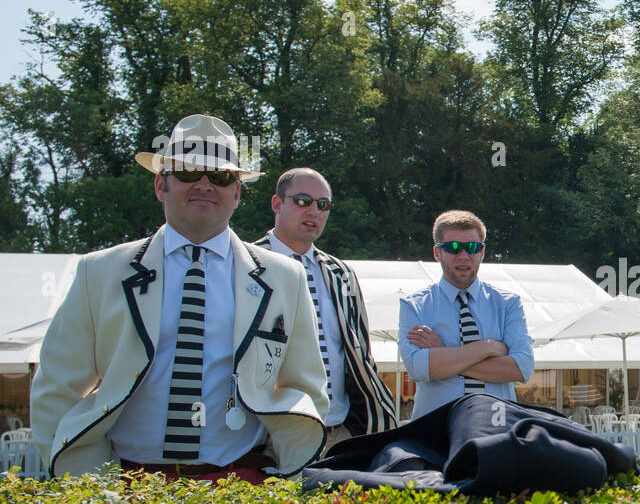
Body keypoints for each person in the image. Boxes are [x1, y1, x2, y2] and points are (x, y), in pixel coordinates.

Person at [31, 114, 328, 480]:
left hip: (244, 485)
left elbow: (307, 389)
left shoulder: (286, 278)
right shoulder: (99, 272)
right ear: (161, 185)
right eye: (188, 172)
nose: (204, 184)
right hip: (124, 486)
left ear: (236, 193)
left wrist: (281, 477)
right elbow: (56, 389)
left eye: (220, 177)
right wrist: (90, 485)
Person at [254, 168, 397, 453]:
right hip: (269, 437)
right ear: (276, 203)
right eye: (303, 201)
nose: (314, 211)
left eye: (323, 205)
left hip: (340, 434)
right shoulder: (246, 265)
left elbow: (360, 357)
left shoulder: (340, 273)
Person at [398, 210, 534, 419]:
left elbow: (521, 369)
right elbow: (418, 368)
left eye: (472, 247)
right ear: (437, 253)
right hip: (435, 435)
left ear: (482, 252)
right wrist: (488, 347)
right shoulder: (414, 305)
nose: (463, 255)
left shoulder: (508, 304)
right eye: (453, 247)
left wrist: (443, 353)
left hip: (497, 430)